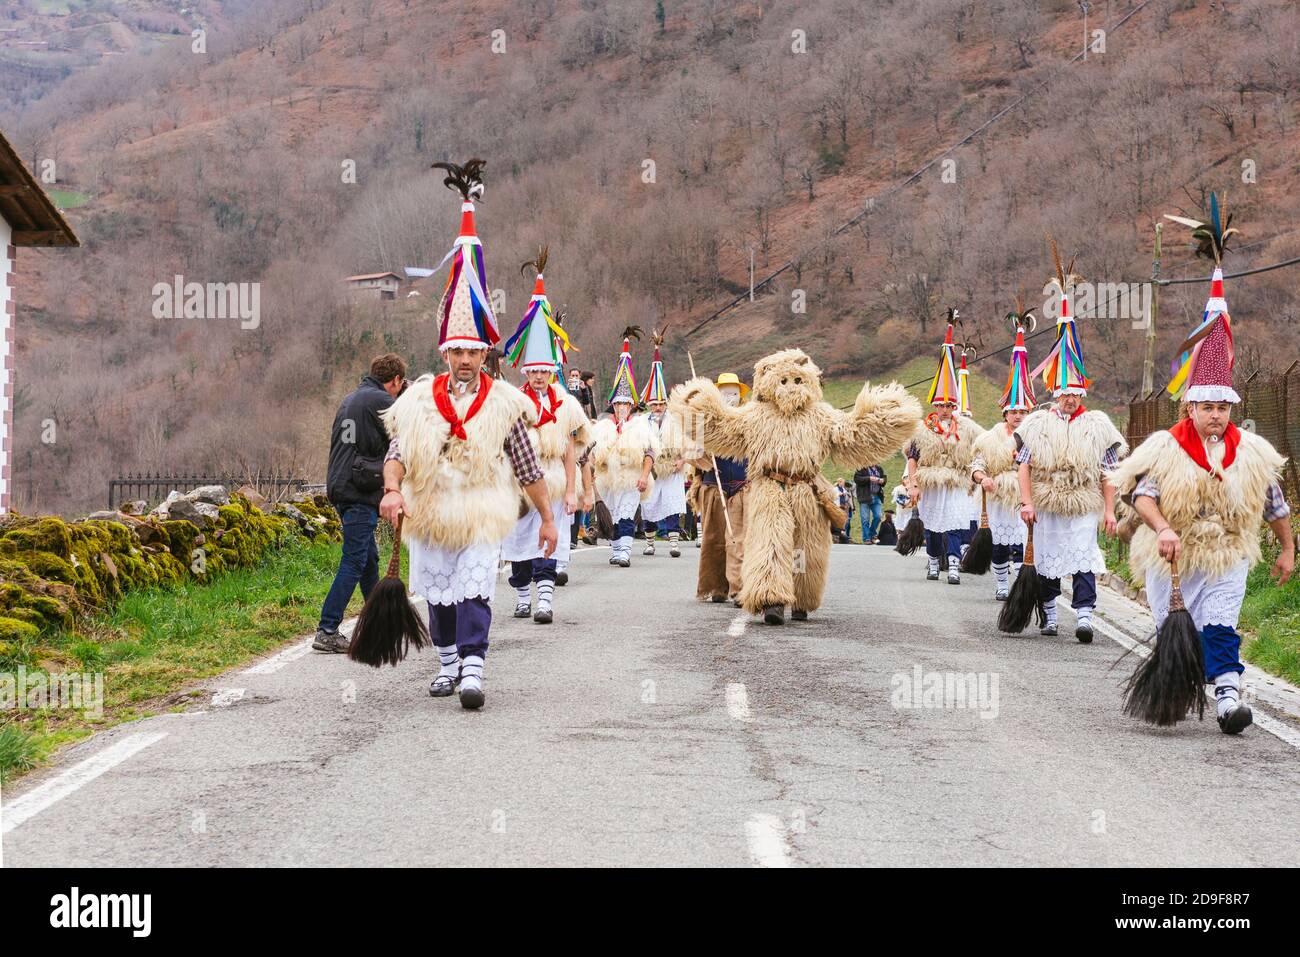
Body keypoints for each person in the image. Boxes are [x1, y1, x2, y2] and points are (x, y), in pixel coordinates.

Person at [379, 161, 556, 710]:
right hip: (431, 511)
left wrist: (548, 517)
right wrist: (392, 489)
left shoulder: (504, 403)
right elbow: (396, 452)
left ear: (484, 353)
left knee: (475, 587)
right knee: (439, 595)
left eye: (472, 351)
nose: (463, 358)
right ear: (444, 353)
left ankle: (474, 669)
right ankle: (448, 662)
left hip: (480, 511)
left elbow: (526, 465)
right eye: (455, 350)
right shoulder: (416, 400)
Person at [1110, 257, 1293, 733]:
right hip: (1175, 552)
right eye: (1207, 406)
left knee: (1221, 623)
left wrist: (1287, 548)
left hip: (1227, 551)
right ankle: (1177, 686)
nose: (1216, 415)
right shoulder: (1168, 448)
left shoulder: (1250, 451)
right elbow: (1143, 496)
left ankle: (1229, 700)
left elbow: (1273, 503)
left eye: (1222, 408)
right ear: (1190, 406)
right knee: (1181, 628)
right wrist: (1163, 528)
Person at [672, 348, 920, 625]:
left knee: (805, 548)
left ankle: (802, 598)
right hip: (770, 487)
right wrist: (699, 408)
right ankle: (772, 600)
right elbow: (723, 428)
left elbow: (852, 434)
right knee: (770, 543)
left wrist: (883, 417)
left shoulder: (821, 416)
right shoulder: (755, 415)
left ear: (809, 380)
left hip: (807, 489)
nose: (790, 387)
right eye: (783, 380)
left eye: (797, 380)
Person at [1016, 253, 1126, 641]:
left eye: (1075, 393)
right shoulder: (1037, 424)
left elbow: (1108, 471)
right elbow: (1024, 464)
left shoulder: (1097, 425)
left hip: (1082, 500)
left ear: (1082, 393)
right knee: (1047, 559)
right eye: (1064, 392)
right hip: (1047, 500)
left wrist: (1109, 509)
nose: (1069, 399)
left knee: (1083, 555)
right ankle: (1048, 614)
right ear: (1055, 391)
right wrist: (1027, 502)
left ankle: (1084, 615)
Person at [498, 248, 590, 623]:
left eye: (544, 371)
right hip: (521, 485)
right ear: (526, 372)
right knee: (520, 545)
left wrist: (571, 490)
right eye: (533, 371)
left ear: (552, 372)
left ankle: (545, 601)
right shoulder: (513, 403)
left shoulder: (566, 405)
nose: (538, 377)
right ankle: (523, 595)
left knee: (549, 543)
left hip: (552, 482)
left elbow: (570, 451)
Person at [314, 353, 408, 652]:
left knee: (368, 561)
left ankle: (378, 624)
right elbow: (404, 438)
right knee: (355, 560)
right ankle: (327, 629)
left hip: (342, 487)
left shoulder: (353, 398)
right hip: (359, 492)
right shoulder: (382, 401)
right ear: (395, 380)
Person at [904, 321, 984, 584]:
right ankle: (933, 561)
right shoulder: (923, 430)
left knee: (954, 524)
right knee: (933, 525)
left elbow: (980, 450)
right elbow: (913, 458)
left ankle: (953, 564)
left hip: (956, 481)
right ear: (935, 406)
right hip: (931, 482)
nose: (946, 410)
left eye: (950, 405)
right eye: (942, 405)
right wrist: (913, 484)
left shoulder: (967, 429)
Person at [969, 316, 1034, 600]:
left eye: (1022, 412)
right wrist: (982, 478)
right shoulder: (989, 438)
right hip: (998, 497)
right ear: (1005, 413)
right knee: (998, 544)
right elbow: (977, 465)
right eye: (1014, 412)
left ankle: (1020, 585)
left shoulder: (1037, 436)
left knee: (1022, 543)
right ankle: (1002, 584)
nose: (1018, 416)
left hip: (1023, 496)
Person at [588, 330, 657, 567]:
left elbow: (649, 453)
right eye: (618, 404)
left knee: (627, 513)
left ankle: (625, 551)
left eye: (625, 404)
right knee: (614, 515)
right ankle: (617, 550)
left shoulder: (640, 426)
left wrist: (644, 476)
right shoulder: (603, 427)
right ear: (613, 405)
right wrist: (594, 470)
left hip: (631, 477)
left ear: (631, 406)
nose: (621, 408)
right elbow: (593, 454)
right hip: (609, 478)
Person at [687, 373, 750, 604]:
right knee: (713, 538)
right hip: (714, 486)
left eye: (734, 393)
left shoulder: (749, 420)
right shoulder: (705, 422)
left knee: (739, 538)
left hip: (743, 487)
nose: (730, 398)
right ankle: (716, 586)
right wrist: (701, 449)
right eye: (725, 393)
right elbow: (689, 453)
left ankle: (739, 588)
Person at [640, 329, 690, 557]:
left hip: (671, 467)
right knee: (648, 506)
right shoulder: (642, 422)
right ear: (650, 405)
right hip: (651, 469)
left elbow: (688, 442)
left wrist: (682, 460)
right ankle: (650, 543)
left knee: (672, 505)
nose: (658, 407)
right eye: (655, 404)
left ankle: (673, 543)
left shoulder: (676, 420)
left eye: (661, 404)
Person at [853, 464, 886, 543]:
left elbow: (884, 478)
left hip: (877, 496)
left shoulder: (879, 468)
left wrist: (882, 480)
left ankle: (872, 533)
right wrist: (869, 478)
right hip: (865, 497)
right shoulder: (861, 468)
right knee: (865, 519)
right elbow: (856, 479)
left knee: (878, 516)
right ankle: (866, 538)